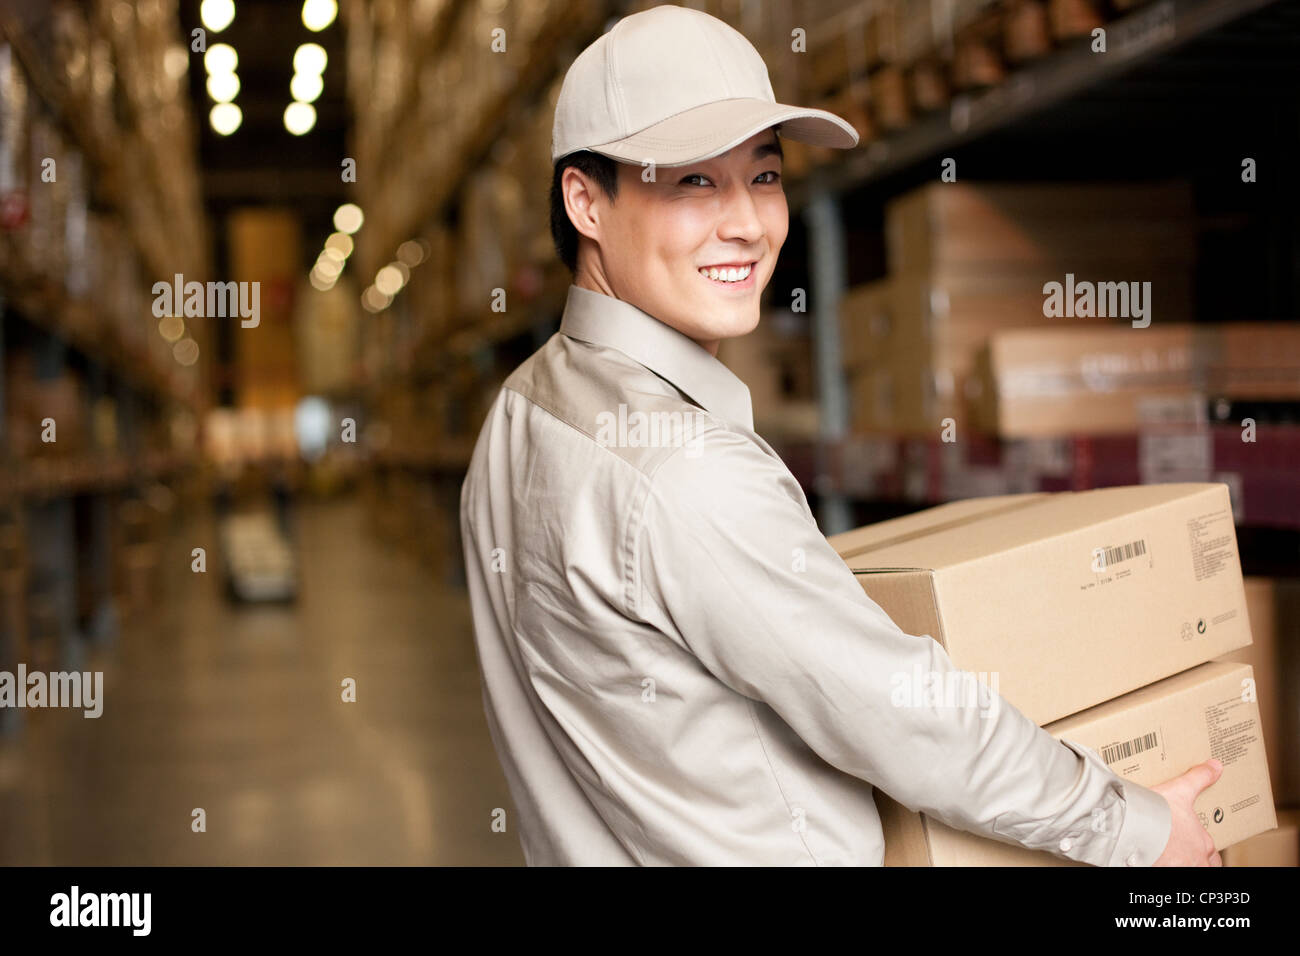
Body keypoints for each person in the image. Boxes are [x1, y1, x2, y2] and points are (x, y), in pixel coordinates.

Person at [459, 3, 1222, 866]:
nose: (748, 222)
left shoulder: (517, 418)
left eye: (766, 176)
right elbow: (899, 713)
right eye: (692, 183)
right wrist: (1136, 827)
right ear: (585, 200)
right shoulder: (682, 468)